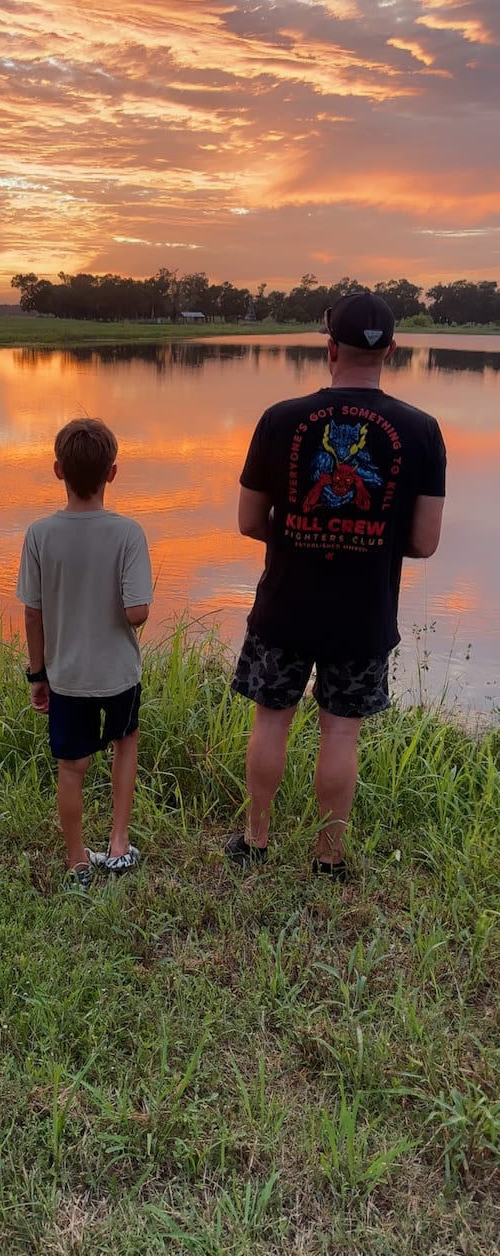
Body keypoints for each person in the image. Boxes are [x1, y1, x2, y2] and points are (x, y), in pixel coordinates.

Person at [226, 291, 446, 879]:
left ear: (330, 349)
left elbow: (250, 521)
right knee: (340, 732)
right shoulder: (422, 431)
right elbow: (425, 541)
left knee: (272, 718)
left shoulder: (279, 418)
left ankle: (255, 842)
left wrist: (304, 531)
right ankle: (328, 859)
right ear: (392, 352)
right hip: (363, 613)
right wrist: (368, 538)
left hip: (284, 608)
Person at [17, 417, 153, 889]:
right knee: (125, 744)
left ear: (58, 470)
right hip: (118, 672)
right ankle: (118, 843)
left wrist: (38, 674)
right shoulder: (129, 534)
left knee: (71, 767)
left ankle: (77, 861)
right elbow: (137, 613)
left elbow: (32, 615)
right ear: (112, 473)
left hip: (66, 675)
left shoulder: (39, 535)